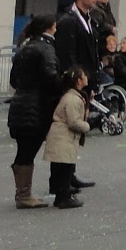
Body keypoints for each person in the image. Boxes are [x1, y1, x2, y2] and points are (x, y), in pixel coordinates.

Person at [6, 15, 60, 209]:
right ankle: (23, 194)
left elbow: (13, 80)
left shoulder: (24, 48)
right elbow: (51, 77)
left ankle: (23, 192)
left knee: (24, 149)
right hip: (37, 106)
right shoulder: (45, 48)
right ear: (51, 27)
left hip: (20, 103)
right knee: (28, 151)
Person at [45, 66, 92, 209]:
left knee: (61, 165)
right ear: (79, 80)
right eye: (84, 75)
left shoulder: (72, 96)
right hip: (63, 136)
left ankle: (60, 192)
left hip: (61, 136)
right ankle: (63, 197)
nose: (86, 77)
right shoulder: (72, 99)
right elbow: (73, 122)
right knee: (65, 166)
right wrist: (89, 125)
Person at [55, 0, 102, 78]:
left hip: (89, 79)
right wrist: (76, 78)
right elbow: (67, 55)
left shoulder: (92, 20)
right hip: (77, 81)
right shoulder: (68, 21)